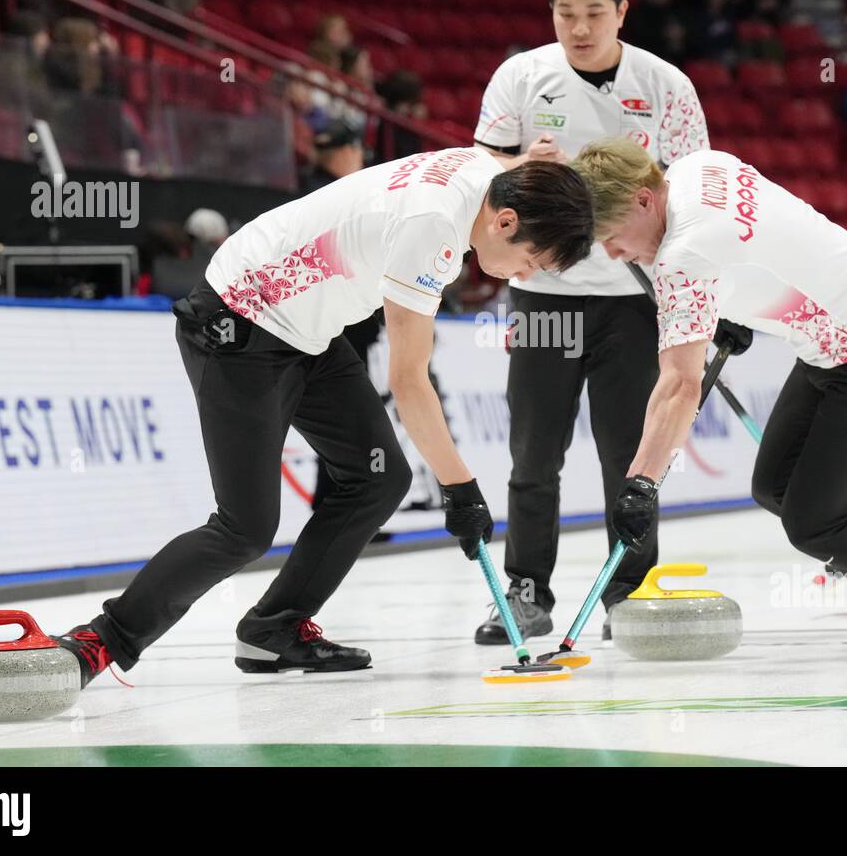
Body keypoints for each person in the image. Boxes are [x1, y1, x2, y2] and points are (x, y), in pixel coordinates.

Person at [50, 148, 595, 686]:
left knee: (379, 477)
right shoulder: (434, 231)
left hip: (305, 330)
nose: (523, 274)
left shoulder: (488, 173)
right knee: (245, 528)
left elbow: (509, 161)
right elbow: (409, 382)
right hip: (239, 318)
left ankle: (273, 628)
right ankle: (102, 638)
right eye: (532, 261)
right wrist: (461, 489)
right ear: (505, 222)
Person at [571, 137, 847, 647]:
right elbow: (767, 240)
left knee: (816, 521)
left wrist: (639, 484)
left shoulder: (683, 257)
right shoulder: (699, 167)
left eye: (612, 236)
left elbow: (680, 384)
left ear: (643, 199)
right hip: (836, 346)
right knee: (777, 487)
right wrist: (728, 307)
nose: (614, 254)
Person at [471, 0, 709, 645]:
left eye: (594, 13)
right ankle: (525, 592)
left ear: (623, 12)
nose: (579, 28)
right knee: (534, 453)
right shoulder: (520, 77)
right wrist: (520, 163)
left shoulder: (666, 86)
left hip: (632, 299)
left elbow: (695, 186)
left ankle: (628, 593)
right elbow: (477, 169)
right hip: (544, 294)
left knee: (630, 455)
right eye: (565, 13)